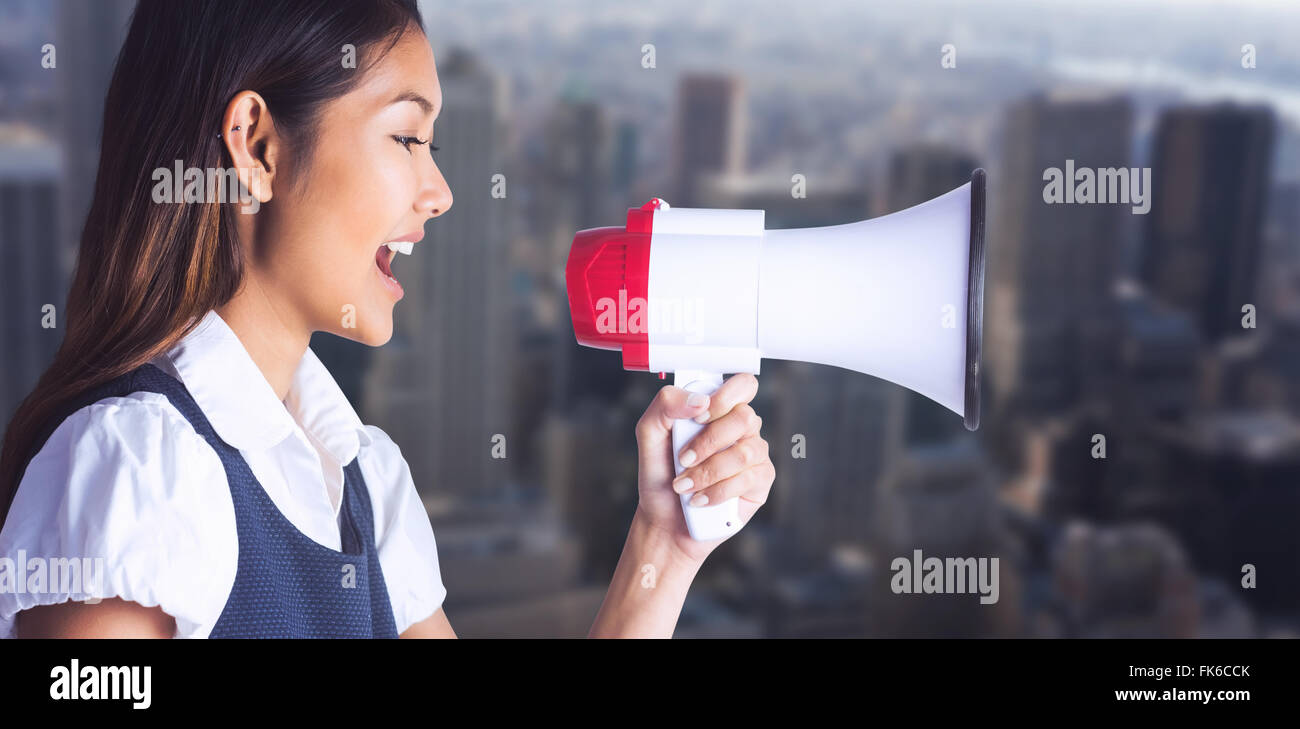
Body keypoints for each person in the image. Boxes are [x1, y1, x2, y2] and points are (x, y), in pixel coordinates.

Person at [0, 0, 774, 638]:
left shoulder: (367, 485)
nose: (437, 191)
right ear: (256, 145)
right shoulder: (134, 470)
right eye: (406, 136)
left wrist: (663, 547)